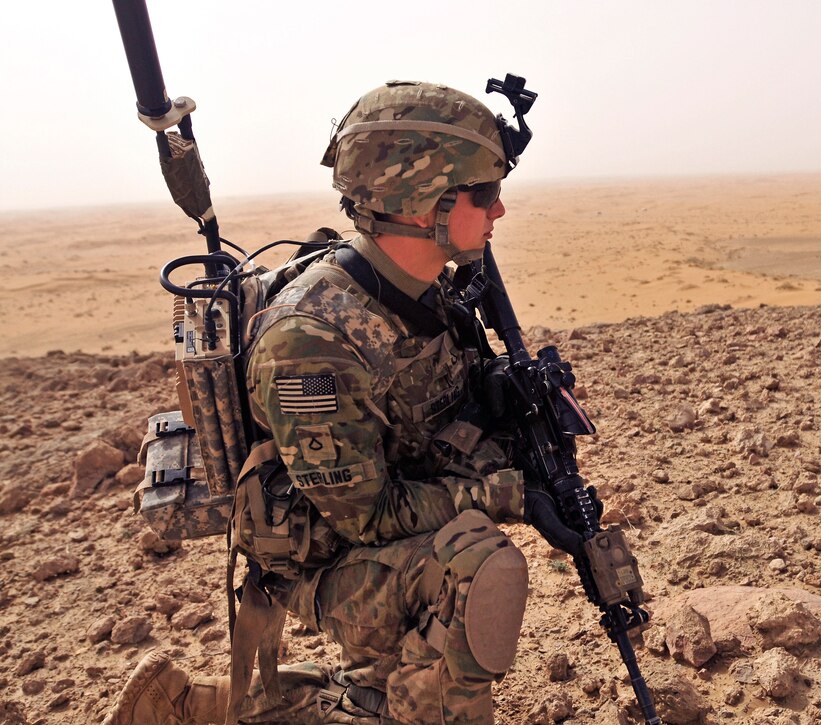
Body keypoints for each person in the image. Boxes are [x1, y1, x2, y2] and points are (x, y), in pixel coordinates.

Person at [105, 79, 579, 725]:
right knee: (479, 569)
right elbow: (368, 516)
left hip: (383, 515)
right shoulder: (313, 342)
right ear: (421, 204)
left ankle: (195, 707)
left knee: (445, 598)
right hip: (325, 556)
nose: (499, 213)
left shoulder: (418, 288)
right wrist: (506, 494)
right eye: (485, 193)